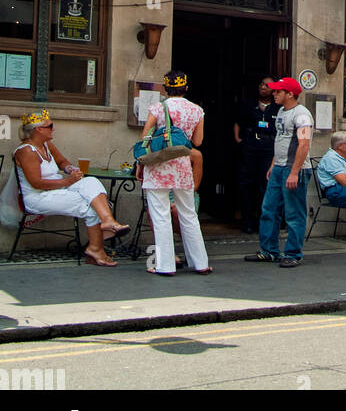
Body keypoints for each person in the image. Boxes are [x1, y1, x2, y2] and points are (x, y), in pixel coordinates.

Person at [10, 111, 128, 266]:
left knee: (91, 181)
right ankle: (95, 249)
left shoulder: (46, 145)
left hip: (58, 190)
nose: (53, 129)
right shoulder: (26, 151)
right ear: (38, 129)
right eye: (50, 126)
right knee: (90, 205)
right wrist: (67, 182)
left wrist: (71, 170)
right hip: (38, 196)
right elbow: (36, 183)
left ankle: (107, 221)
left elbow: (62, 161)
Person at [139, 71, 210, 276]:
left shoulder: (158, 108)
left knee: (160, 216)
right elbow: (198, 142)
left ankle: (165, 265)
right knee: (189, 214)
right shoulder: (197, 110)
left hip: (159, 166)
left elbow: (144, 138)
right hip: (182, 165)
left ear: (165, 88)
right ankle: (201, 263)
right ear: (186, 88)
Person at [245, 77, 312, 267]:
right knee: (269, 209)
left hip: (293, 169)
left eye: (278, 91)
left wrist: (294, 172)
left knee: (294, 213)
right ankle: (269, 251)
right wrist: (274, 164)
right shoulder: (282, 111)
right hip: (280, 168)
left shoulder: (302, 115)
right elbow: (280, 141)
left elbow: (304, 144)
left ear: (290, 94)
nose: (273, 94)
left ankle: (293, 254)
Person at [234, 75, 278, 233]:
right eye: (261, 84)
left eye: (267, 85)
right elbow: (238, 122)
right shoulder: (248, 104)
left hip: (268, 148)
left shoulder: (277, 107)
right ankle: (247, 221)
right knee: (247, 183)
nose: (263, 87)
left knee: (264, 184)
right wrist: (239, 139)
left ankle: (263, 221)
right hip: (250, 145)